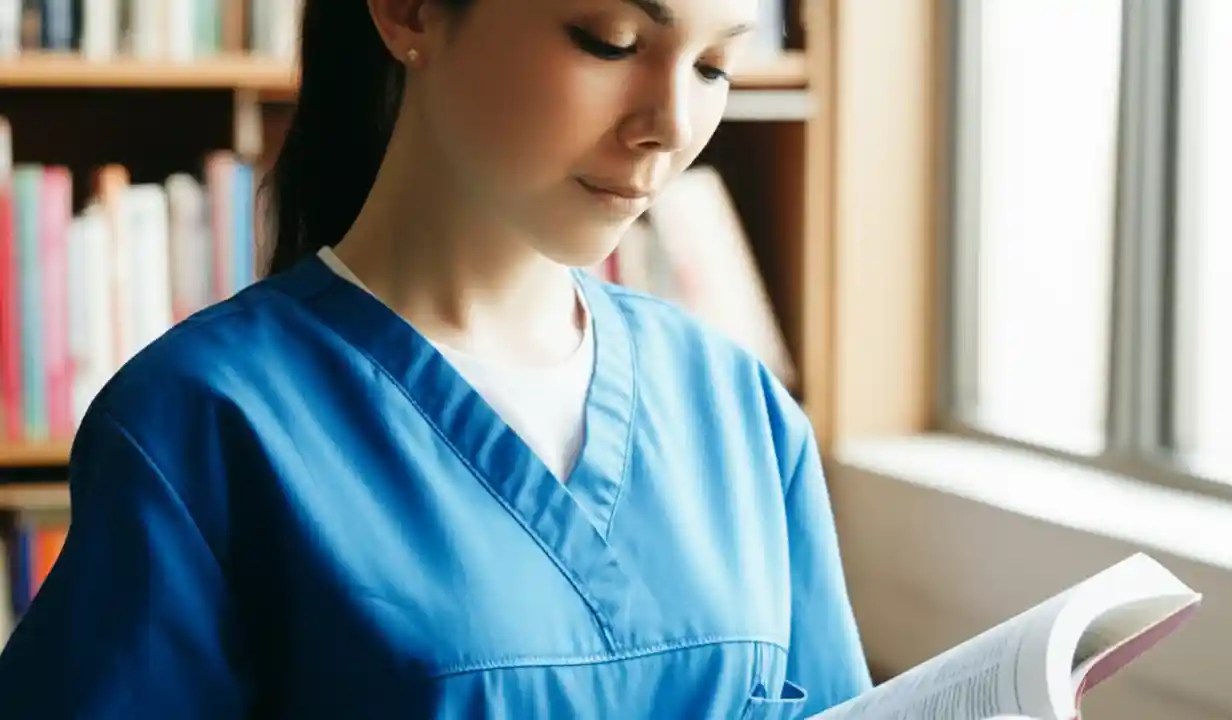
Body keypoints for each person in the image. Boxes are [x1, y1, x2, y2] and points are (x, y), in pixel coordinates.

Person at [0, 0, 874, 717]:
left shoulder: (739, 412)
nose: (671, 126)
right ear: (409, 12)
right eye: (610, 43)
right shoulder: (202, 423)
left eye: (714, 66)